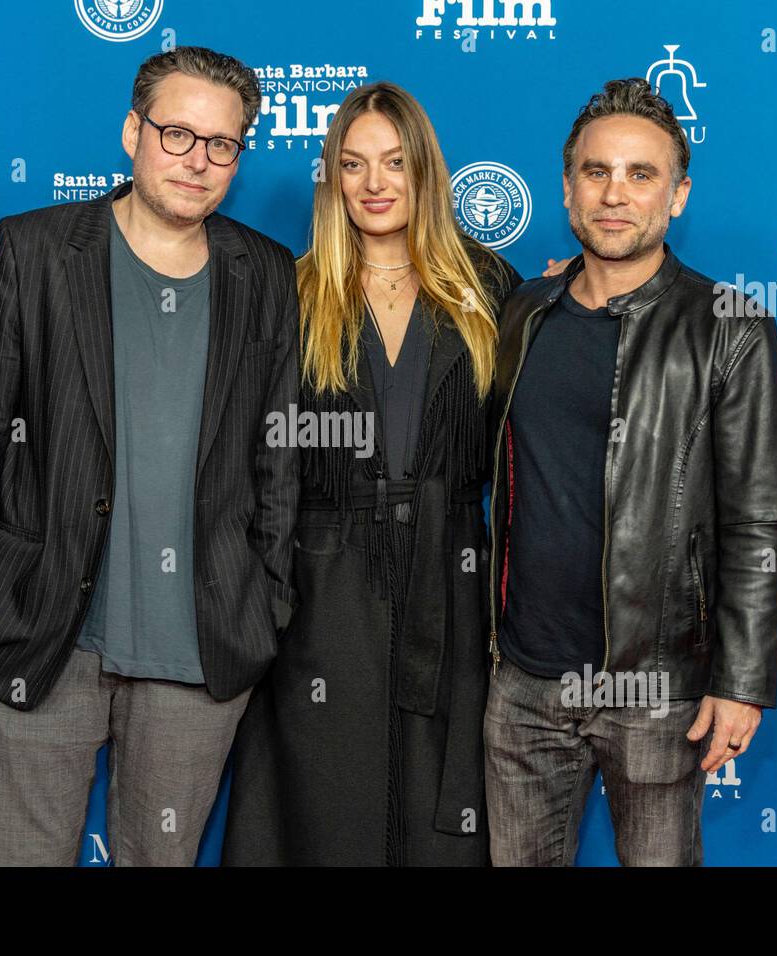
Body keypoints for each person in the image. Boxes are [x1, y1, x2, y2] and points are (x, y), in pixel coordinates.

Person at [0, 46, 300, 866]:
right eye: (177, 134)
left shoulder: (264, 272)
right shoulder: (37, 249)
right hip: (35, 627)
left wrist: (268, 599)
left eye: (222, 144)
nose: (198, 160)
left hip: (199, 644)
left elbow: (278, 454)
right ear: (132, 131)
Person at [484, 78, 777, 866]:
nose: (615, 194)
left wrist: (742, 680)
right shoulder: (525, 313)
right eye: (596, 173)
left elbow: (762, 518)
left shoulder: (731, 327)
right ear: (567, 189)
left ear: (678, 194)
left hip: (658, 688)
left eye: (641, 174)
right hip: (525, 680)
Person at [223, 81, 523, 866]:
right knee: (323, 813)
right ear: (332, 179)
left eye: (395, 162)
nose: (375, 184)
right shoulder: (290, 292)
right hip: (321, 591)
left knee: (442, 816)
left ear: (425, 171)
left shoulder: (494, 290)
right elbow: (251, 462)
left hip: (450, 583)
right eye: (352, 165)